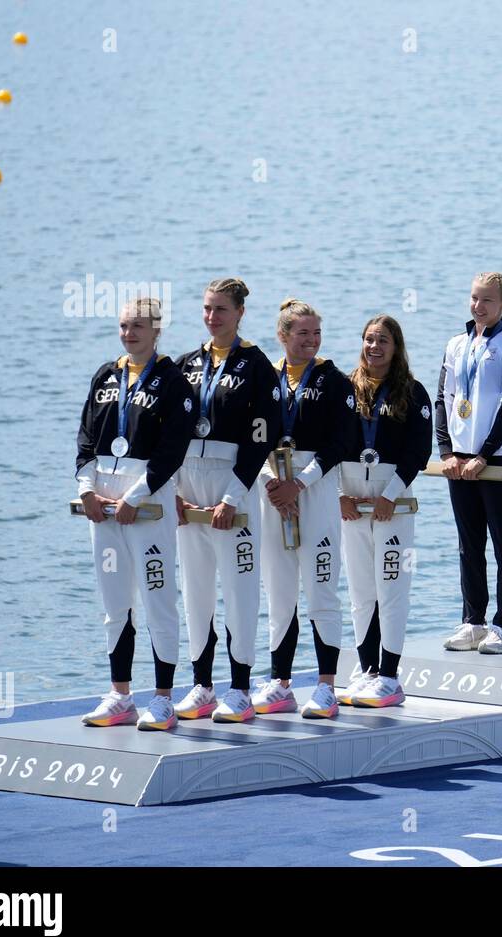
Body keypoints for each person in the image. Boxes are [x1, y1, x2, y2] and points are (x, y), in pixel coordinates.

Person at [75, 297, 197, 729]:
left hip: (148, 503)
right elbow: (87, 437)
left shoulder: (174, 382)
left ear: (157, 331)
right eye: (125, 326)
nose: (129, 334)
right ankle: (120, 695)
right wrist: (86, 488)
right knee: (114, 604)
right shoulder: (106, 375)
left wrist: (138, 495)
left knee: (157, 600)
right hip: (104, 505)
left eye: (138, 327)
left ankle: (163, 697)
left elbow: (173, 450)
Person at [171, 278, 280, 722]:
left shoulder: (256, 366)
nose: (212, 317)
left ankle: (240, 687)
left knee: (238, 592)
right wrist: (175, 491)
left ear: (239, 313)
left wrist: (233, 496)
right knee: (194, 592)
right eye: (207, 308)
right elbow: (171, 435)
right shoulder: (185, 364)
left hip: (233, 485)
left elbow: (262, 439)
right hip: (188, 487)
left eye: (221, 309)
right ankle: (201, 684)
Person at [254, 299, 352, 720]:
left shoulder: (334, 381)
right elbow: (251, 438)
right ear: (282, 336)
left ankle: (327, 686)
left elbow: (342, 443)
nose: (311, 340)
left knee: (321, 589)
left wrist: (300, 483)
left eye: (316, 333)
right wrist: (272, 481)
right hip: (272, 489)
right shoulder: (264, 379)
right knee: (278, 591)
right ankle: (280, 683)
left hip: (315, 488)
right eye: (302, 334)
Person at [335, 315, 432, 706]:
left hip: (393, 506)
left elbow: (418, 452)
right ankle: (366, 669)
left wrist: (391, 495)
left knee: (391, 590)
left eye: (383, 341)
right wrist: (339, 494)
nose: (374, 347)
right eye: (369, 339)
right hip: (353, 504)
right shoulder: (346, 389)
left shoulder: (412, 391)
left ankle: (390, 675)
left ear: (397, 347)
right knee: (360, 592)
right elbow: (334, 445)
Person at [437, 273, 502, 654]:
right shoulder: (455, 344)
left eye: (488, 300)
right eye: (475, 298)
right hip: (459, 462)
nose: (479, 306)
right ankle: (473, 621)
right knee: (468, 545)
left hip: (497, 460)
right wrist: (447, 451)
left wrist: (484, 454)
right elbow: (442, 400)